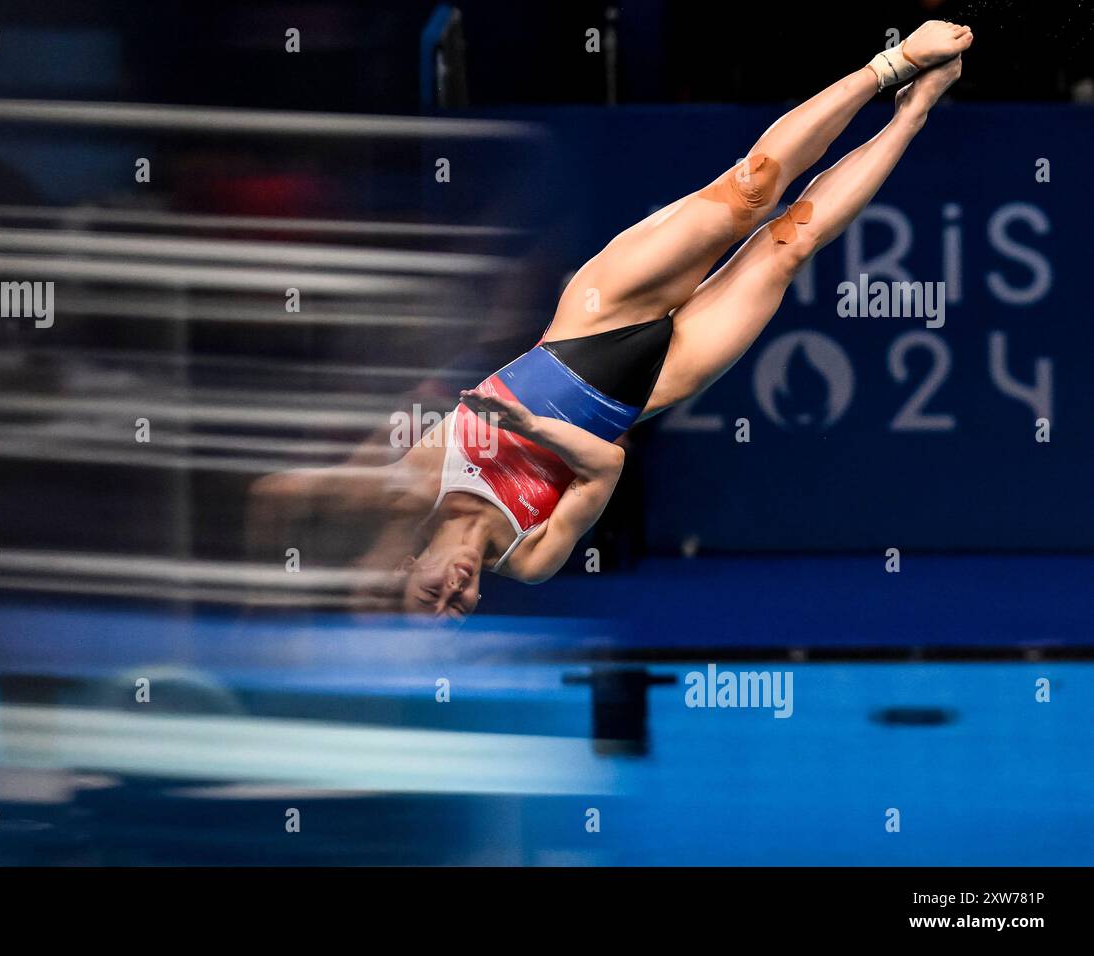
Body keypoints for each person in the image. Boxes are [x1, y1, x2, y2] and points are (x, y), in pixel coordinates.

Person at [249, 21, 973, 620]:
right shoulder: (528, 558)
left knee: (751, 190)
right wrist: (530, 430)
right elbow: (607, 464)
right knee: (790, 246)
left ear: (410, 563)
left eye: (430, 593)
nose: (457, 590)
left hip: (590, 323)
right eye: (461, 605)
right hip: (652, 384)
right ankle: (916, 110)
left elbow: (273, 493)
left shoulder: (411, 484)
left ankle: (895, 62)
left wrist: (255, 609)